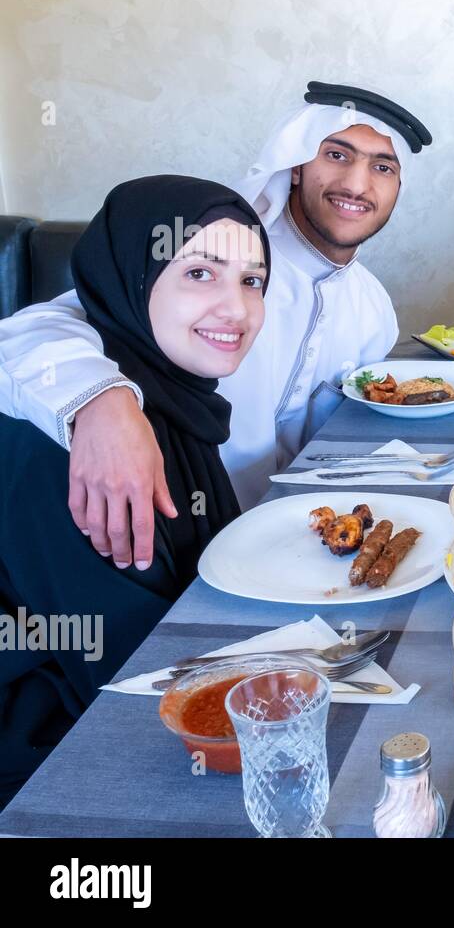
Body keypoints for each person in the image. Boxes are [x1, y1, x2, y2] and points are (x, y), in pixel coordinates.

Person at [0, 82, 431, 570]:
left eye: (382, 167)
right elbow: (41, 327)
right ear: (293, 167)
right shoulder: (220, 252)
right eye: (335, 155)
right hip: (173, 542)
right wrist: (100, 404)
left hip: (299, 546)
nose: (356, 184)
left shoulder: (373, 306)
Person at [0, 175, 270, 805]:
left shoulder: (164, 395)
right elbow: (142, 673)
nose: (236, 308)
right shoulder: (78, 446)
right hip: (55, 751)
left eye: (251, 281)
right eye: (200, 274)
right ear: (131, 276)